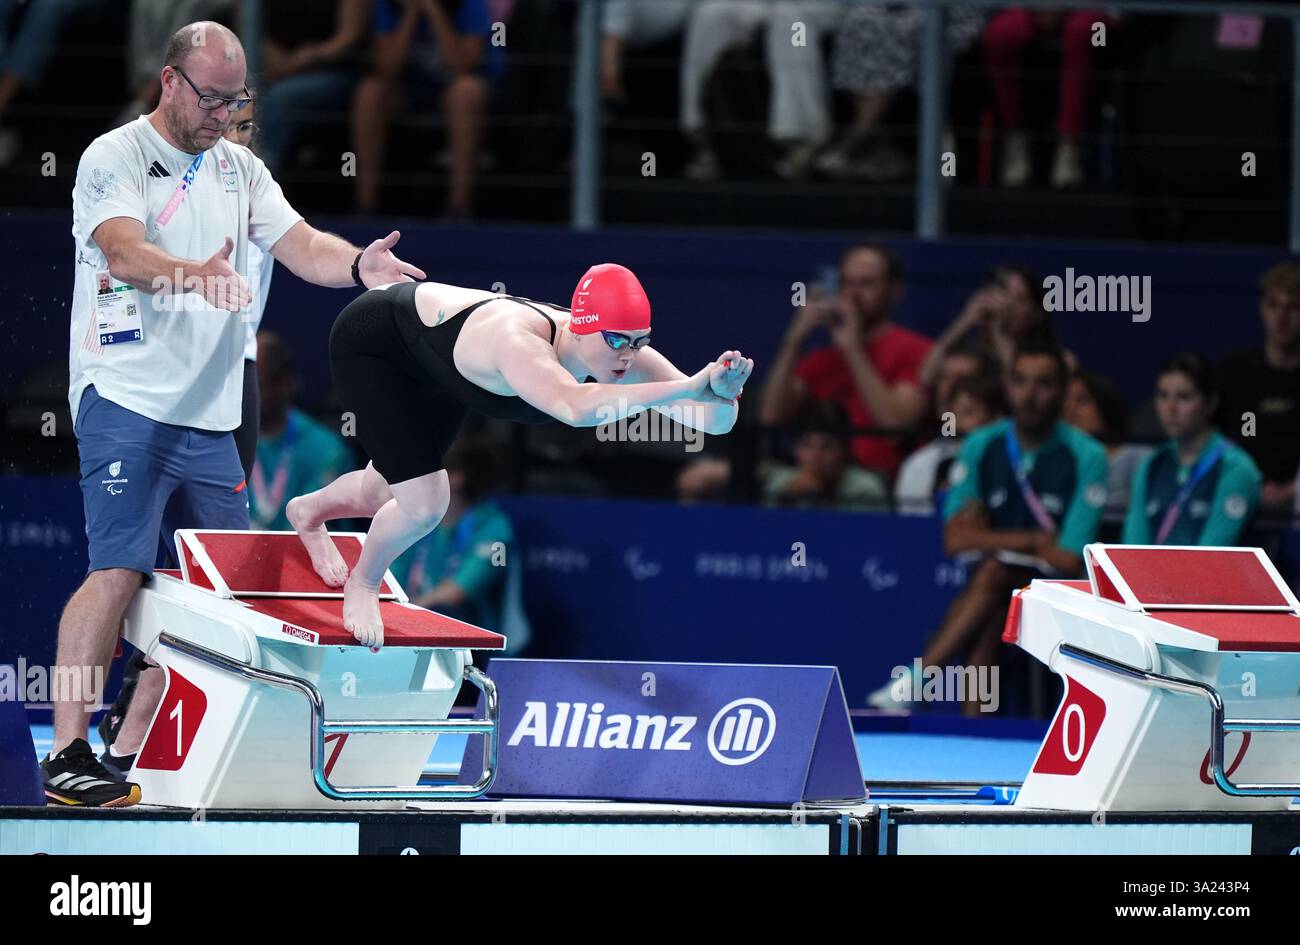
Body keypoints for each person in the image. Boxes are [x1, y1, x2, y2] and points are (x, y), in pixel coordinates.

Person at [47, 21, 425, 808]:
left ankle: (134, 750)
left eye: (236, 99)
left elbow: (302, 244)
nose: (224, 114)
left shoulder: (241, 171)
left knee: (219, 597)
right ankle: (69, 749)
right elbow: (121, 252)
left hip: (212, 417)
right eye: (212, 99)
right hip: (125, 398)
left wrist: (359, 266)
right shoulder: (112, 158)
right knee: (116, 569)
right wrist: (193, 273)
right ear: (170, 82)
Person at [287, 263, 753, 647]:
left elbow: (709, 420)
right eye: (617, 341)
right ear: (582, 325)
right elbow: (574, 408)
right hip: (376, 341)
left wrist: (722, 396)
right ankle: (363, 583)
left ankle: (308, 511)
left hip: (437, 369)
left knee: (381, 491)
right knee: (426, 502)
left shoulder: (615, 348)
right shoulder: (520, 341)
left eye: (640, 341)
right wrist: (689, 385)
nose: (629, 355)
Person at [868, 338, 1107, 713]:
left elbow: (1064, 557)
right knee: (995, 597)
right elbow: (955, 538)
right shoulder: (982, 444)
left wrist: (992, 537)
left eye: (1043, 384)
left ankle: (921, 682)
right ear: (1007, 387)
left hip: (1059, 592)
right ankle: (970, 726)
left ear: (1062, 391)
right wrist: (1031, 538)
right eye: (1021, 382)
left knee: (993, 576)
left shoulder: (1087, 455)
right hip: (997, 583)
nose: (1030, 395)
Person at [759, 243, 932, 480]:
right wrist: (794, 340)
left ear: (894, 291)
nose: (853, 294)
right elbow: (771, 417)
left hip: (882, 486)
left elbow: (896, 428)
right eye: (846, 283)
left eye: (866, 284)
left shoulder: (917, 351)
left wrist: (853, 349)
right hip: (818, 483)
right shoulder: (821, 360)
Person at [353, 0, 497, 217]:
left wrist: (433, 9)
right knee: (370, 93)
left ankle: (458, 206)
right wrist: (411, 14)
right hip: (408, 89)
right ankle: (366, 205)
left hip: (456, 88)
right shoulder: (387, 5)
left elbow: (462, 66)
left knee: (466, 93)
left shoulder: (471, 4)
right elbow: (386, 67)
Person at [1123, 353, 1261, 546]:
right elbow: (1131, 550)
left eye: (1184, 397)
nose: (1170, 408)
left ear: (1210, 403)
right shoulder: (1151, 464)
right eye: (1163, 395)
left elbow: (1212, 555)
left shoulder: (1236, 468)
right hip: (1147, 575)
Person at [249, 331, 355, 530]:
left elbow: (313, 522)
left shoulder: (326, 450)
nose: (245, 395)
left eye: (257, 386)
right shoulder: (225, 442)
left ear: (283, 383)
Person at [1218, 261, 1300, 515]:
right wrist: (1251, 482)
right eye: (1273, 305)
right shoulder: (1235, 370)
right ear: (1262, 309)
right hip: (1240, 493)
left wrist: (1294, 489)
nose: (1282, 317)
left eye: (1294, 306)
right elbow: (1221, 439)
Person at [895, 371, 1005, 515]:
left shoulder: (1008, 460)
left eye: (968, 412)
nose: (956, 422)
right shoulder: (921, 463)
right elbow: (911, 515)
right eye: (952, 414)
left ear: (995, 419)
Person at [762, 403, 888, 511]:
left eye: (826, 447)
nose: (815, 456)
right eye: (807, 445)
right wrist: (789, 497)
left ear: (844, 451)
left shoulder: (865, 490)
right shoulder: (780, 484)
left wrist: (823, 498)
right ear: (795, 448)